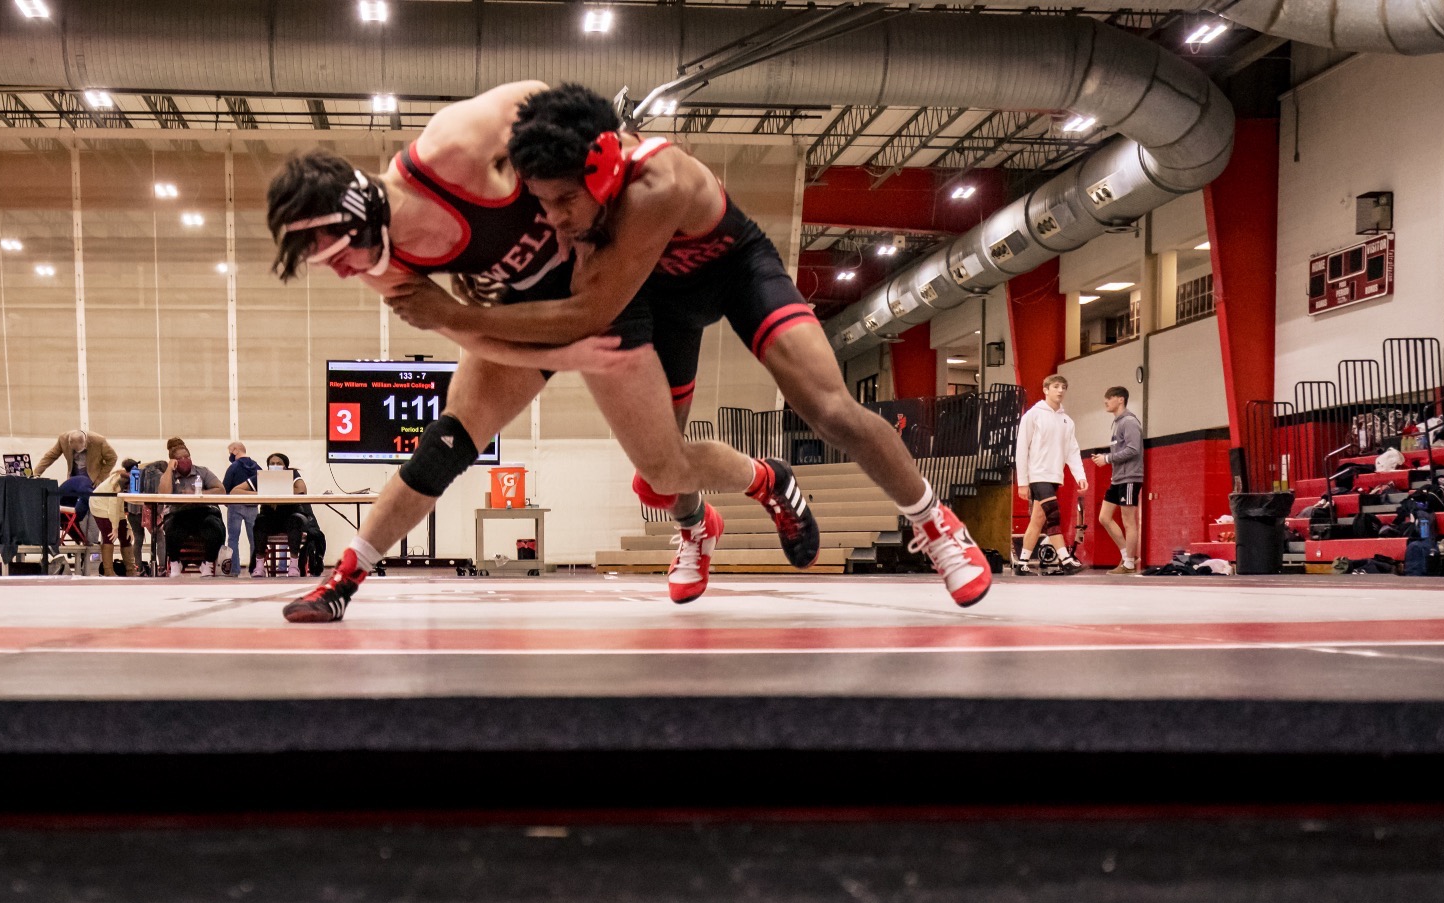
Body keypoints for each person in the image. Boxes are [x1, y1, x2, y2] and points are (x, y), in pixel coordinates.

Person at [385, 84, 990, 609]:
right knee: (660, 468)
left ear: (601, 170)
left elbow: (587, 313)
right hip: (661, 299)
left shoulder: (657, 183)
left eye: (564, 202)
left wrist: (452, 316)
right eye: (543, 202)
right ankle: (697, 529)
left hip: (734, 272)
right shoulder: (577, 195)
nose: (555, 218)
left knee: (830, 410)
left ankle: (936, 523)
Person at [264, 80, 628, 622]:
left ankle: (706, 515)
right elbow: (474, 338)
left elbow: (542, 99)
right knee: (448, 441)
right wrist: (562, 356)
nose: (341, 273)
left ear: (356, 214)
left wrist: (596, 163)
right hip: (534, 303)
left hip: (614, 265)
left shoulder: (451, 147)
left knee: (661, 464)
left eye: (336, 255)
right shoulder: (385, 269)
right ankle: (344, 580)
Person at [1014, 374, 1087, 575]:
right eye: (1056, 386)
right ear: (1046, 390)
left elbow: (1072, 450)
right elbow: (1022, 449)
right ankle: (1066, 560)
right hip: (1037, 475)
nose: (1060, 390)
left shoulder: (1067, 421)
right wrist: (1022, 482)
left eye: (1063, 387)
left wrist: (1080, 475)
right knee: (1053, 515)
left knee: (1038, 519)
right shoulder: (1032, 415)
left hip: (1055, 476)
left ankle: (1022, 564)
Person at [153, 440, 226, 575]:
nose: (185, 460)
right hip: (179, 513)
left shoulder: (202, 472)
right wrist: (169, 469)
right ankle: (175, 562)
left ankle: (208, 563)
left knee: (214, 526)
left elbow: (221, 490)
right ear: (174, 461)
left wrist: (198, 493)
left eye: (187, 456)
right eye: (180, 458)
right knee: (172, 528)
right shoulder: (169, 476)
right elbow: (164, 494)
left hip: (203, 512)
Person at [252, 451, 323, 576]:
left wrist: (279, 489)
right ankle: (259, 566)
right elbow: (236, 490)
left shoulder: (293, 474)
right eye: (272, 463)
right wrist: (263, 491)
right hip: (270, 518)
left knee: (295, 521)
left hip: (289, 516)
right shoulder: (262, 477)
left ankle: (294, 566)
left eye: (279, 463)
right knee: (259, 521)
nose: (275, 465)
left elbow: (301, 490)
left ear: (285, 466)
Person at [1098, 386, 1144, 573]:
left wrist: (1107, 458)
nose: (1106, 401)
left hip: (1130, 477)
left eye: (1109, 398)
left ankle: (1129, 564)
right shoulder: (1117, 423)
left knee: (1128, 521)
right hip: (1118, 478)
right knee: (1104, 517)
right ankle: (1127, 555)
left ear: (1120, 399)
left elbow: (1133, 449)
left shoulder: (1129, 422)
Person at [220, 442, 260, 576]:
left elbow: (225, 487)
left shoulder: (233, 467)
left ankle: (234, 570)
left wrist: (227, 502)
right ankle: (255, 568)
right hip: (253, 505)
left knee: (233, 539)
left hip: (235, 505)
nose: (230, 455)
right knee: (254, 539)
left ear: (236, 450)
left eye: (230, 451)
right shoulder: (257, 466)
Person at [34, 429, 116, 486]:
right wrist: (36, 473)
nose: (77, 453)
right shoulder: (63, 439)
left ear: (85, 443)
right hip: (74, 477)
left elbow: (112, 458)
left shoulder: (99, 441)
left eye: (79, 450)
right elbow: (50, 456)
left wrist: (100, 478)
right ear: (69, 442)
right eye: (74, 450)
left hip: (94, 479)